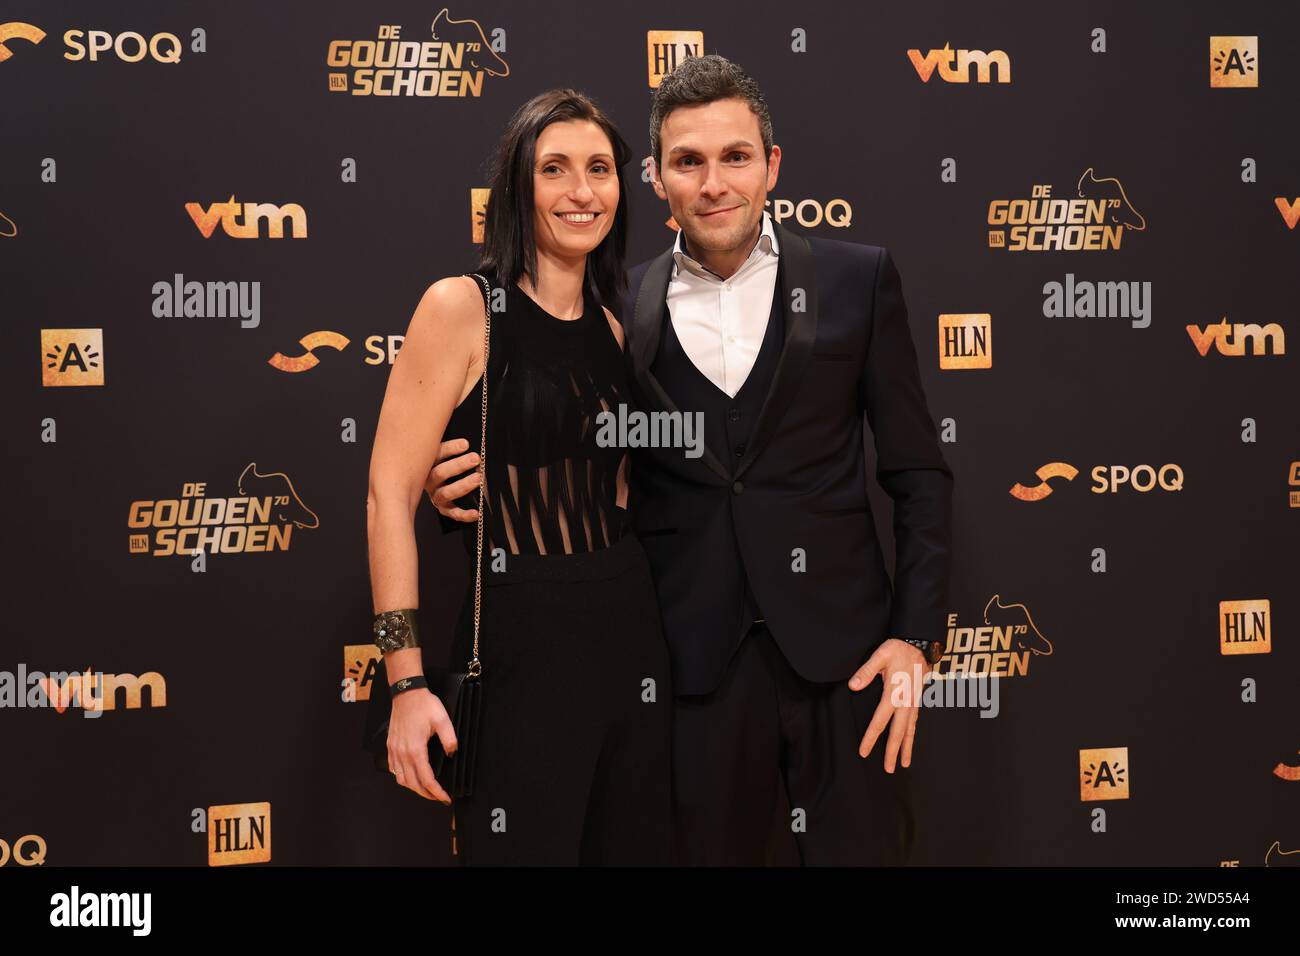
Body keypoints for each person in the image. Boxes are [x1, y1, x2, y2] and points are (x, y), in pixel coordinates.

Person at [429, 54, 954, 866]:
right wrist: (458, 478)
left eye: (735, 157)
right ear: (657, 178)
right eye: (688, 162)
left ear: (772, 165)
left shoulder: (860, 280)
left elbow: (918, 472)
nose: (714, 183)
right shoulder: (618, 312)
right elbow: (584, 453)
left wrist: (914, 639)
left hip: (846, 666)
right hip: (687, 669)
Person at [365, 88, 674, 865]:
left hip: (632, 645)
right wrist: (404, 684)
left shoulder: (613, 323)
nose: (582, 191)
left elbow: (619, 487)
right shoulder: (461, 309)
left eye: (600, 169)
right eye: (555, 170)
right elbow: (387, 498)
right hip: (519, 654)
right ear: (517, 189)